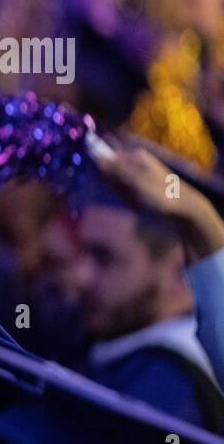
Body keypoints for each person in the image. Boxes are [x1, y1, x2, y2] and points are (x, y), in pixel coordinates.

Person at [95, 144, 224, 395]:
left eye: (105, 258)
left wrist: (196, 213)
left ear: (180, 275)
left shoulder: (172, 374)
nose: (81, 276)